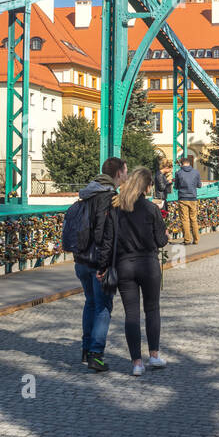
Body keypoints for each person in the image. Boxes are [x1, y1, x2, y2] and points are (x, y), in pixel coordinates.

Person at [113, 166, 170, 376]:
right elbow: (161, 241)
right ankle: (154, 356)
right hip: (148, 265)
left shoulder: (118, 208)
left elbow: (111, 239)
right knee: (152, 309)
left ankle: (136, 363)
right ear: (147, 186)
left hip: (124, 266)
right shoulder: (151, 209)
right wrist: (165, 234)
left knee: (131, 314)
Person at [74, 157, 126, 372]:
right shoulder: (109, 198)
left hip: (81, 260)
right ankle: (96, 354)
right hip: (98, 262)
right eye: (125, 171)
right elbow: (105, 235)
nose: (126, 175)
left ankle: (86, 351)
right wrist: (104, 266)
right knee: (103, 307)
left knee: (90, 303)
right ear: (118, 174)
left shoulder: (86, 193)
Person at [174, 155, 202, 244]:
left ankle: (187, 240)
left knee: (185, 219)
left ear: (182, 164)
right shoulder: (196, 172)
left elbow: (176, 186)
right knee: (193, 219)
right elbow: (199, 185)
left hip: (183, 198)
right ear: (189, 163)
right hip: (193, 198)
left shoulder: (178, 173)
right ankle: (196, 239)